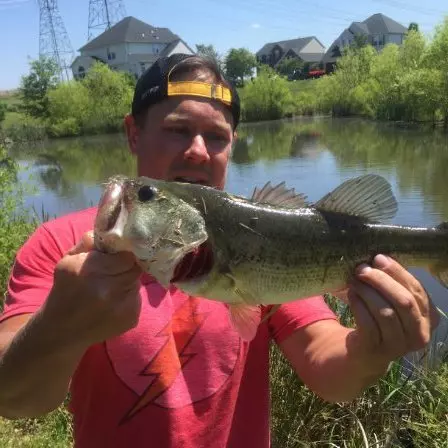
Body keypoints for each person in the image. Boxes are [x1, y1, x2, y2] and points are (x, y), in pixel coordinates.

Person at [0, 53, 439, 448]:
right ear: (134, 134)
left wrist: (372, 349)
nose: (197, 151)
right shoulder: (61, 249)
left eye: (216, 137)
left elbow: (330, 370)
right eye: (177, 130)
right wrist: (59, 325)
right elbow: (14, 400)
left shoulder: (261, 231)